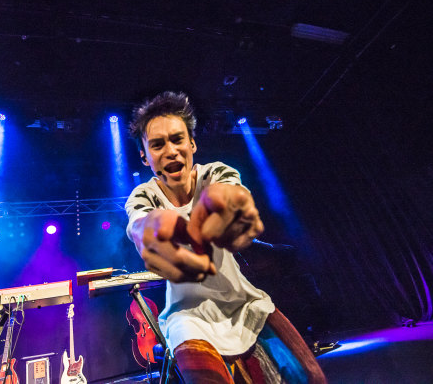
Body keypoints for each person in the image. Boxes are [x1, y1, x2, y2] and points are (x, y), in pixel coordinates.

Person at [125, 91, 326, 383]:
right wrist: (153, 232)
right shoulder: (144, 195)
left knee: (311, 377)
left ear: (192, 143)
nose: (170, 151)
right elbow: (139, 226)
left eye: (177, 139)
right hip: (188, 317)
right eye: (157, 144)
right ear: (144, 156)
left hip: (245, 305)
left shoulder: (215, 173)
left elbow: (232, 195)